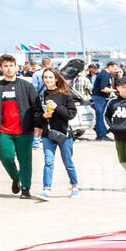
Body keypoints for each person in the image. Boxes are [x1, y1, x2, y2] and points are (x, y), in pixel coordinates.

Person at [0, 53, 39, 198]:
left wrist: (38, 125)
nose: (9, 69)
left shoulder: (27, 86)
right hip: (4, 132)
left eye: (11, 66)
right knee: (6, 157)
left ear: (16, 67)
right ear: (1, 68)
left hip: (24, 131)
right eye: (6, 66)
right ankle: (16, 177)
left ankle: (26, 188)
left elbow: (36, 107)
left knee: (25, 161)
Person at [34, 67, 79, 199]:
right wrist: (44, 115)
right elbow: (36, 116)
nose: (48, 80)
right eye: (45, 77)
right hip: (48, 134)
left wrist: (56, 107)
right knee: (48, 162)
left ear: (57, 79)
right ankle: (46, 189)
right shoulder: (41, 96)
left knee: (68, 162)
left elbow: (71, 114)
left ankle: (74, 186)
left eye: (50, 77)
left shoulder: (65, 95)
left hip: (64, 134)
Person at [90, 61, 114, 140]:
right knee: (101, 116)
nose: (115, 70)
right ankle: (101, 135)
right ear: (110, 66)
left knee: (100, 116)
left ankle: (100, 134)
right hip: (99, 98)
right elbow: (103, 88)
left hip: (100, 97)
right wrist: (114, 91)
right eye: (115, 68)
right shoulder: (104, 75)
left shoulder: (106, 74)